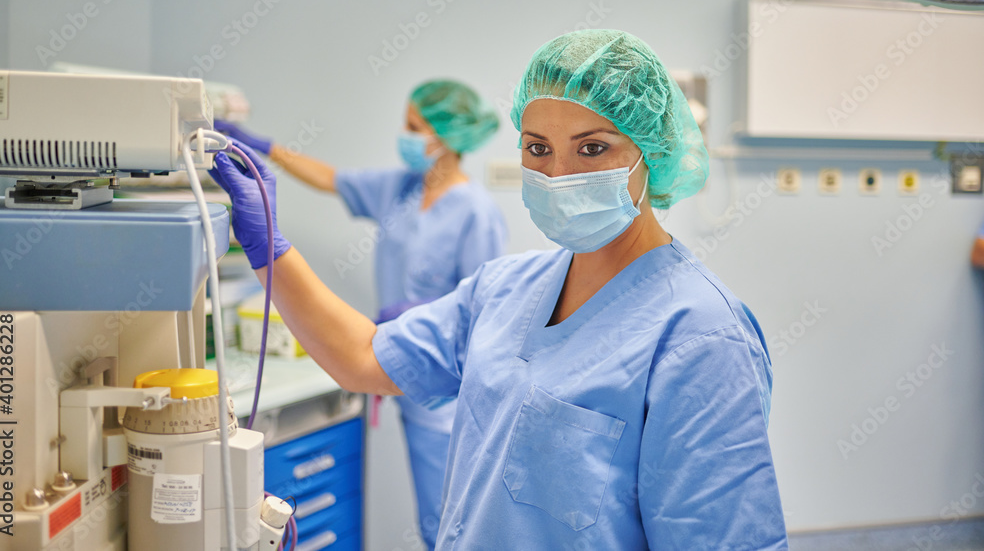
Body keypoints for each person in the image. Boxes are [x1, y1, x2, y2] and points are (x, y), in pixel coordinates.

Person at [210, 29, 789, 549]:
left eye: (593, 148)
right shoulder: (508, 288)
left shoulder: (701, 337)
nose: (557, 174)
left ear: (650, 152)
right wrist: (270, 251)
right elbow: (363, 358)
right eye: (538, 148)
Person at [215, 80, 506, 549]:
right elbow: (330, 177)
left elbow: (488, 313)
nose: (404, 135)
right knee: (432, 514)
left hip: (448, 395)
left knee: (449, 520)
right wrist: (263, 147)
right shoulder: (402, 190)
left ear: (448, 136)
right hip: (400, 370)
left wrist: (416, 312)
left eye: (414, 127)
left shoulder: (477, 211)